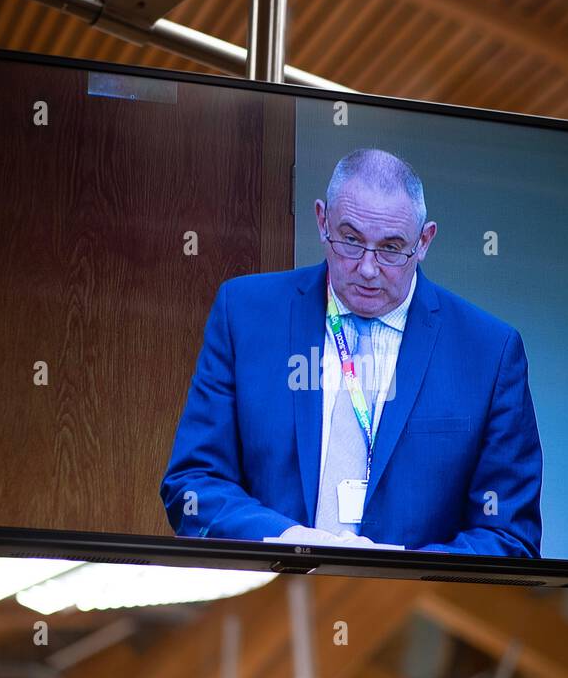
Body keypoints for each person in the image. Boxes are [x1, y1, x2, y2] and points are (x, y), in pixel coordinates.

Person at [160, 148, 543, 557]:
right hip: (268, 601)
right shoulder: (245, 313)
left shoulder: (488, 352)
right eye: (351, 240)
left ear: (425, 240)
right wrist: (292, 542)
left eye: (392, 248)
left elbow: (509, 535)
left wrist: (400, 574)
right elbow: (195, 483)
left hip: (409, 612)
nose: (367, 268)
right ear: (322, 220)